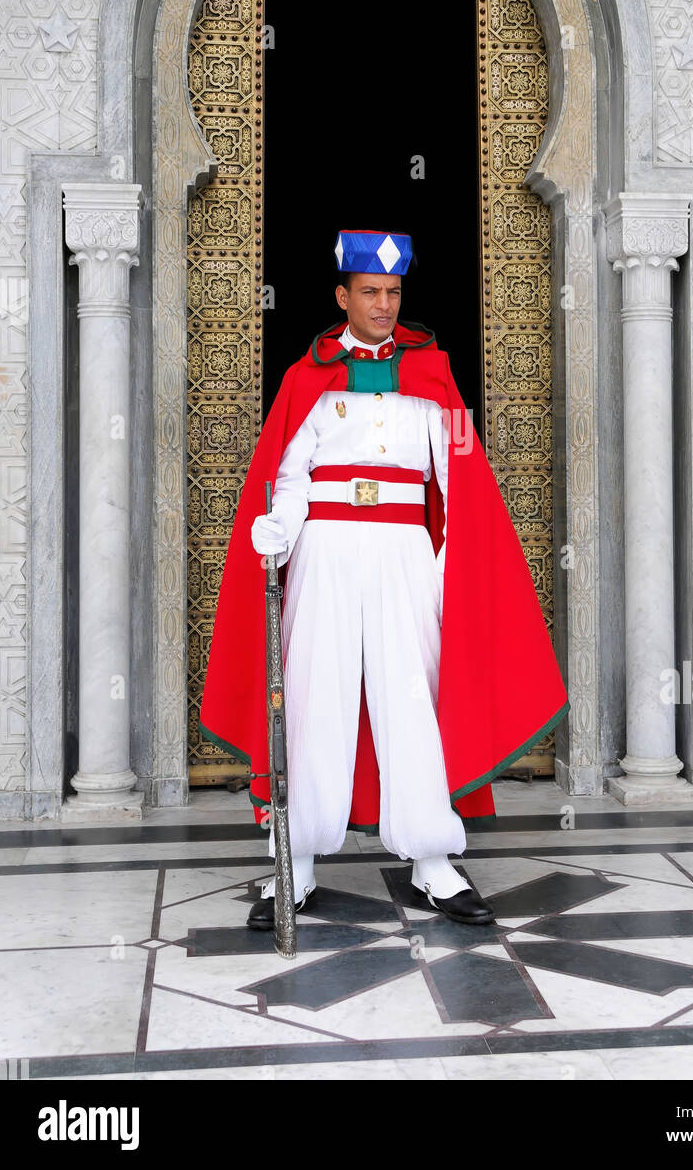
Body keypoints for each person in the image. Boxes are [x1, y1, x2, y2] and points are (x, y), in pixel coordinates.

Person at [200, 230, 569, 928]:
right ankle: (294, 866)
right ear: (343, 296)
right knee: (314, 702)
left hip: (404, 554)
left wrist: (452, 562)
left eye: (393, 293)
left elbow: (459, 472)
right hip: (327, 551)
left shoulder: (434, 374)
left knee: (411, 705)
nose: (383, 304)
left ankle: (433, 861)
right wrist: (277, 522)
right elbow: (290, 469)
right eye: (369, 292)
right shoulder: (307, 374)